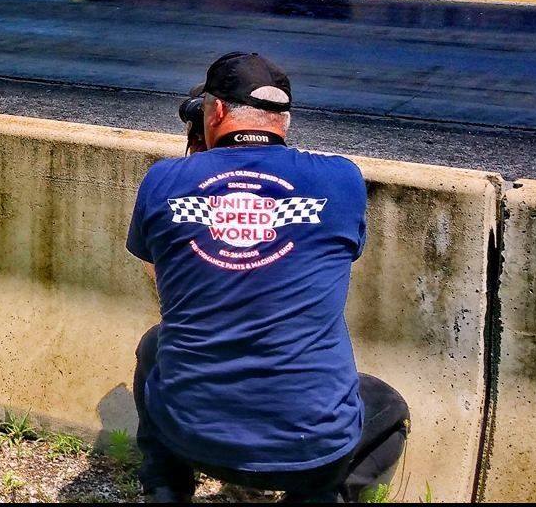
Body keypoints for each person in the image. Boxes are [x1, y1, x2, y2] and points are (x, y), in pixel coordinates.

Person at [128, 53, 405, 504]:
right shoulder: (341, 179)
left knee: (155, 344)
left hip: (190, 436)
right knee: (387, 407)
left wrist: (202, 165)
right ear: (286, 120)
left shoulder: (163, 180)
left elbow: (162, 280)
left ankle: (164, 488)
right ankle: (316, 497)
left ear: (214, 111)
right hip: (309, 451)